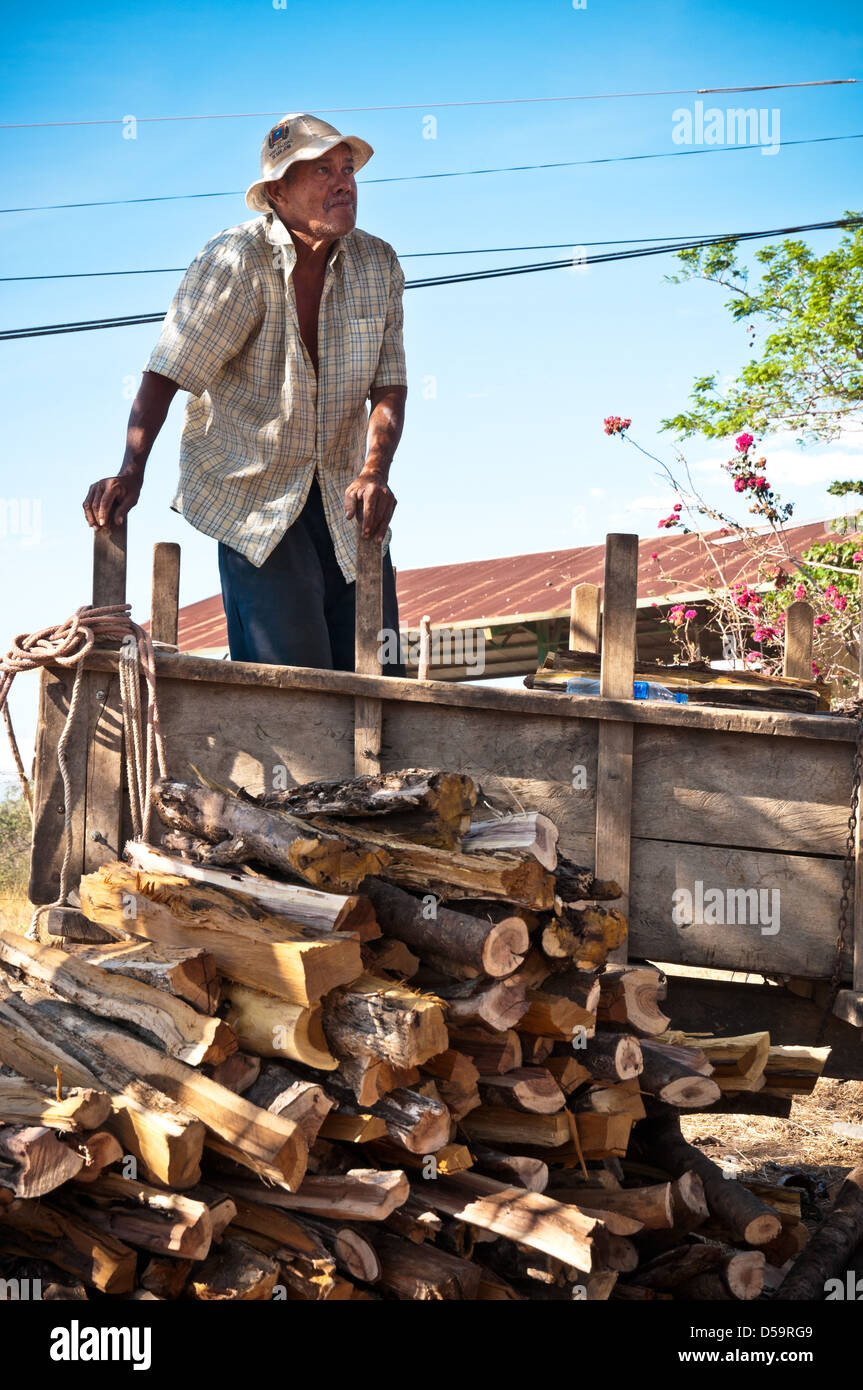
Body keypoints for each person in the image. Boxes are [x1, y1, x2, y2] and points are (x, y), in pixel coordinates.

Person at [83, 112, 408, 673]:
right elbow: (167, 370)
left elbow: (390, 386)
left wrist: (375, 472)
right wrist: (131, 469)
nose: (343, 183)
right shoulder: (235, 261)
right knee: (295, 681)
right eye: (322, 171)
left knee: (382, 675)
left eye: (348, 169)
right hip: (253, 498)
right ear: (278, 193)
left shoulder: (378, 265)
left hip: (342, 497)